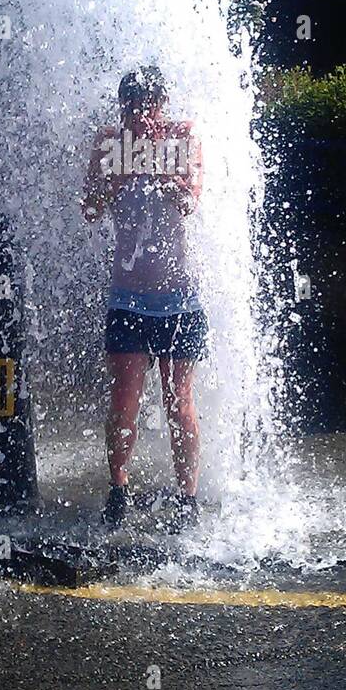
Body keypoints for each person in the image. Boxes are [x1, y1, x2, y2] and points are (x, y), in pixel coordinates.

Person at [81, 65, 206, 531]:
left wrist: (158, 165)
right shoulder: (108, 144)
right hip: (129, 297)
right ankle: (118, 487)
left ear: (161, 107)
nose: (140, 119)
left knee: (180, 400)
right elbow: (90, 210)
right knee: (124, 399)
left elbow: (192, 200)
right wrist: (118, 174)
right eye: (131, 110)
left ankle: (188, 496)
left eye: (147, 109)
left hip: (180, 296)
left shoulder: (182, 137)